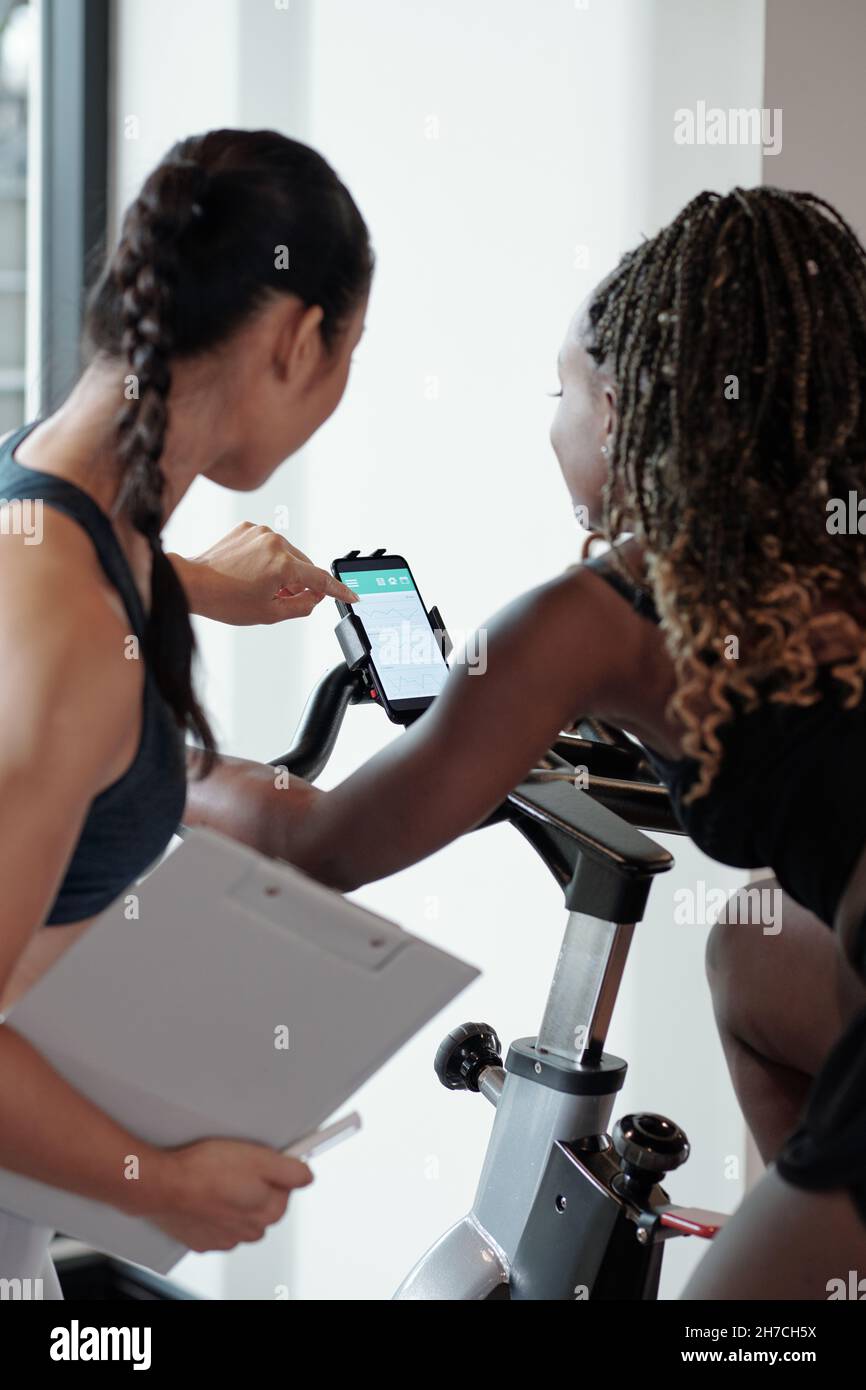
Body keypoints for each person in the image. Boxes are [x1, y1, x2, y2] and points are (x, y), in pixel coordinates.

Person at [187, 187, 866, 1299]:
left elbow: (317, 845)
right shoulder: (804, 571)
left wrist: (148, 757)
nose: (550, 420)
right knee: (746, 949)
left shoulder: (596, 614)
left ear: (618, 409)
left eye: (559, 390)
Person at [0, 126, 373, 1295]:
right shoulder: (62, 628)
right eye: (350, 348)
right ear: (298, 336)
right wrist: (160, 1185)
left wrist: (197, 582)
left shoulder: (54, 496)